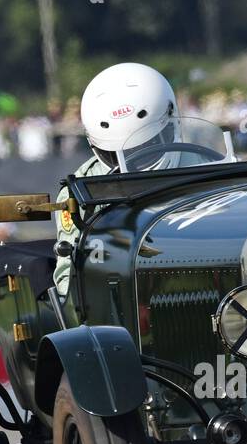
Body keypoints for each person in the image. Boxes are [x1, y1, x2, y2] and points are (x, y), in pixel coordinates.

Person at [54, 62, 177, 294]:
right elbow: (67, 269)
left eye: (148, 145)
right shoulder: (81, 187)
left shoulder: (208, 164)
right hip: (121, 293)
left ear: (170, 127)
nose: (132, 161)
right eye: (115, 154)